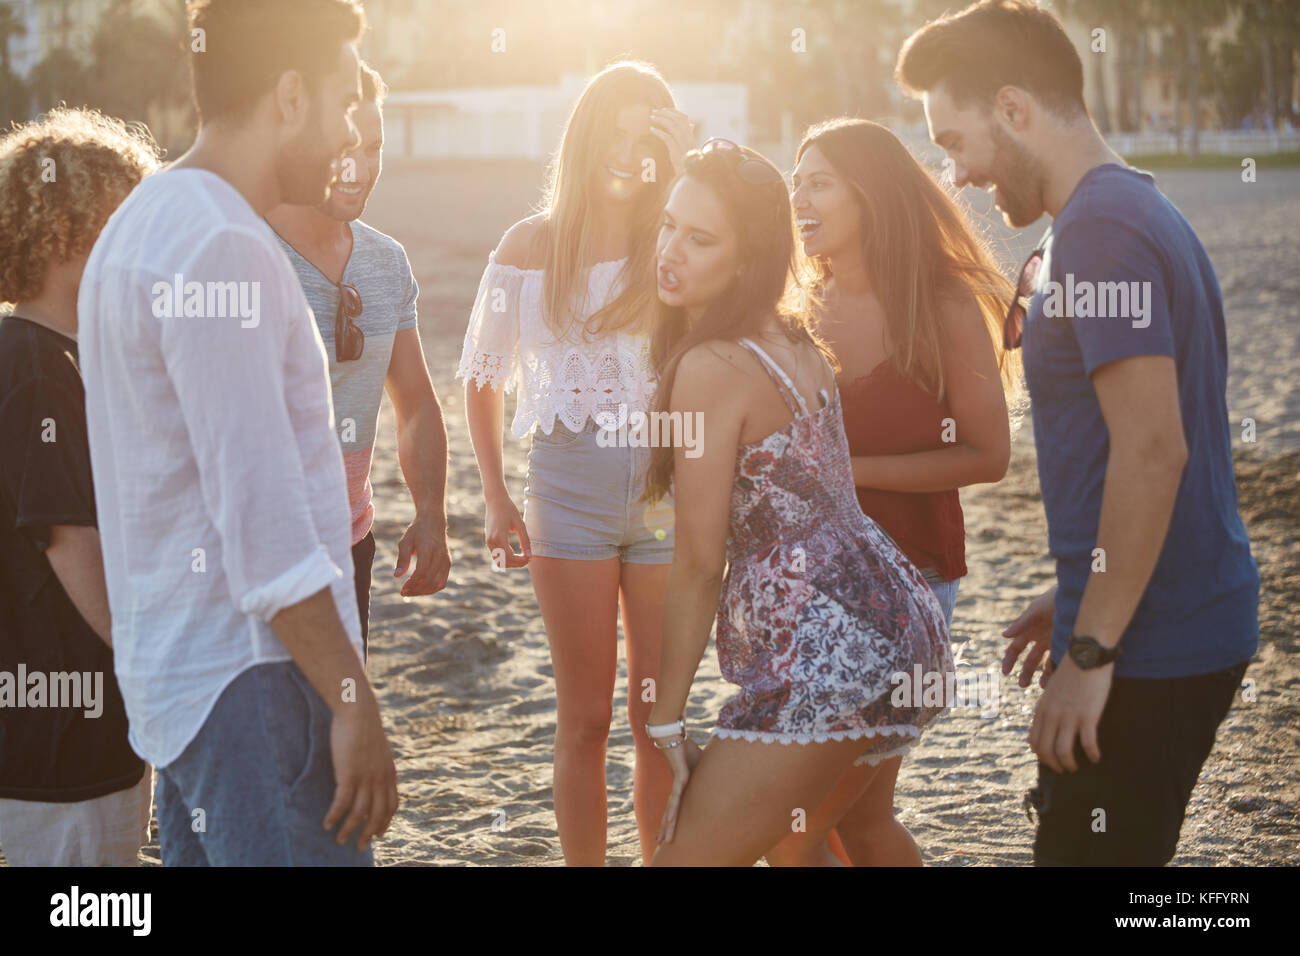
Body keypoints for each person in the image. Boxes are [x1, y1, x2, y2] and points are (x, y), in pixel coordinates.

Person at [897, 0, 1259, 866]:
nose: (956, 175)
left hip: (1154, 641)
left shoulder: (1102, 232)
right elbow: (1153, 445)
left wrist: (1092, 651)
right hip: (1158, 614)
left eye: (955, 141)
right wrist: (1077, 594)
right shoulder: (1119, 214)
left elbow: (1154, 449)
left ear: (1015, 108)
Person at [79, 0, 397, 866]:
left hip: (180, 690)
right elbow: (264, 528)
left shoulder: (137, 227)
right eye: (339, 103)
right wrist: (350, 698)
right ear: (289, 97)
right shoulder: (222, 246)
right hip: (256, 689)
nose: (347, 132)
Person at [643, 140, 953, 866]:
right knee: (800, 849)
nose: (670, 251)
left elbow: (696, 562)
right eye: (667, 226)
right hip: (899, 625)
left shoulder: (710, 366)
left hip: (826, 653)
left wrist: (665, 721)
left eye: (700, 238)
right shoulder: (795, 338)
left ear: (747, 259)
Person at [458, 61, 694, 865]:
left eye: (648, 138)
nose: (629, 154)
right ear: (587, 139)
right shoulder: (531, 246)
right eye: (617, 136)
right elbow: (482, 377)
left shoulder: (676, 243)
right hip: (567, 496)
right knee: (586, 716)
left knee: (657, 715)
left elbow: (744, 289)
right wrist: (495, 498)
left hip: (668, 498)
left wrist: (688, 166)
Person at [788, 117, 1017, 864]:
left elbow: (987, 454)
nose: (800, 197)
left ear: (871, 194)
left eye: (818, 180)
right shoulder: (796, 312)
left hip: (911, 580)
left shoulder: (942, 303)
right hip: (805, 585)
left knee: (827, 820)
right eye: (795, 184)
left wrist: (850, 474)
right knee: (818, 823)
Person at [0, 107, 159, 866]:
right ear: (67, 236)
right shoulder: (38, 371)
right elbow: (70, 543)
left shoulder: (38, 354)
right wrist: (154, 669)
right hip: (63, 746)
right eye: (127, 224)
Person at [266, 60, 451, 659]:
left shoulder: (387, 263)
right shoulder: (243, 254)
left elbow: (417, 401)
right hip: (256, 554)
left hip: (350, 544)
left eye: (374, 147)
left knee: (339, 738)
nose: (361, 168)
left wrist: (431, 515)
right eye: (345, 146)